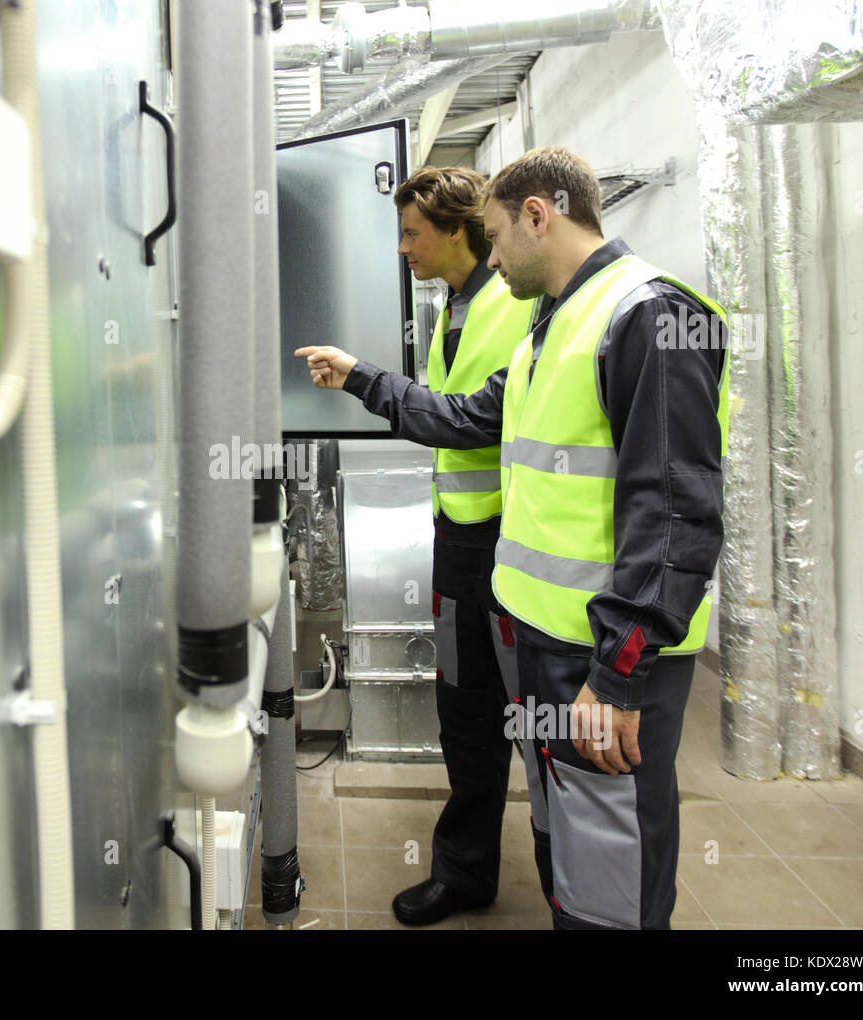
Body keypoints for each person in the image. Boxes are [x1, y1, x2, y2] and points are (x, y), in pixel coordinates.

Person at [296, 146, 728, 930]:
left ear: (540, 215)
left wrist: (620, 674)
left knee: (610, 862)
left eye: (494, 237)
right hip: (541, 632)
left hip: (600, 654)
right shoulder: (550, 328)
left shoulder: (651, 316)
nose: (491, 256)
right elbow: (463, 421)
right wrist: (361, 378)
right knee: (573, 847)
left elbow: (675, 514)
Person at [314, 165, 537, 926]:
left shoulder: (518, 302)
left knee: (536, 725)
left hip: (515, 548)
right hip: (457, 547)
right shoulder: (453, 307)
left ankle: (578, 887)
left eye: (412, 232)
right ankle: (465, 874)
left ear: (453, 230)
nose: (402, 247)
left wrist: (362, 379)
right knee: (465, 714)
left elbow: (470, 420)